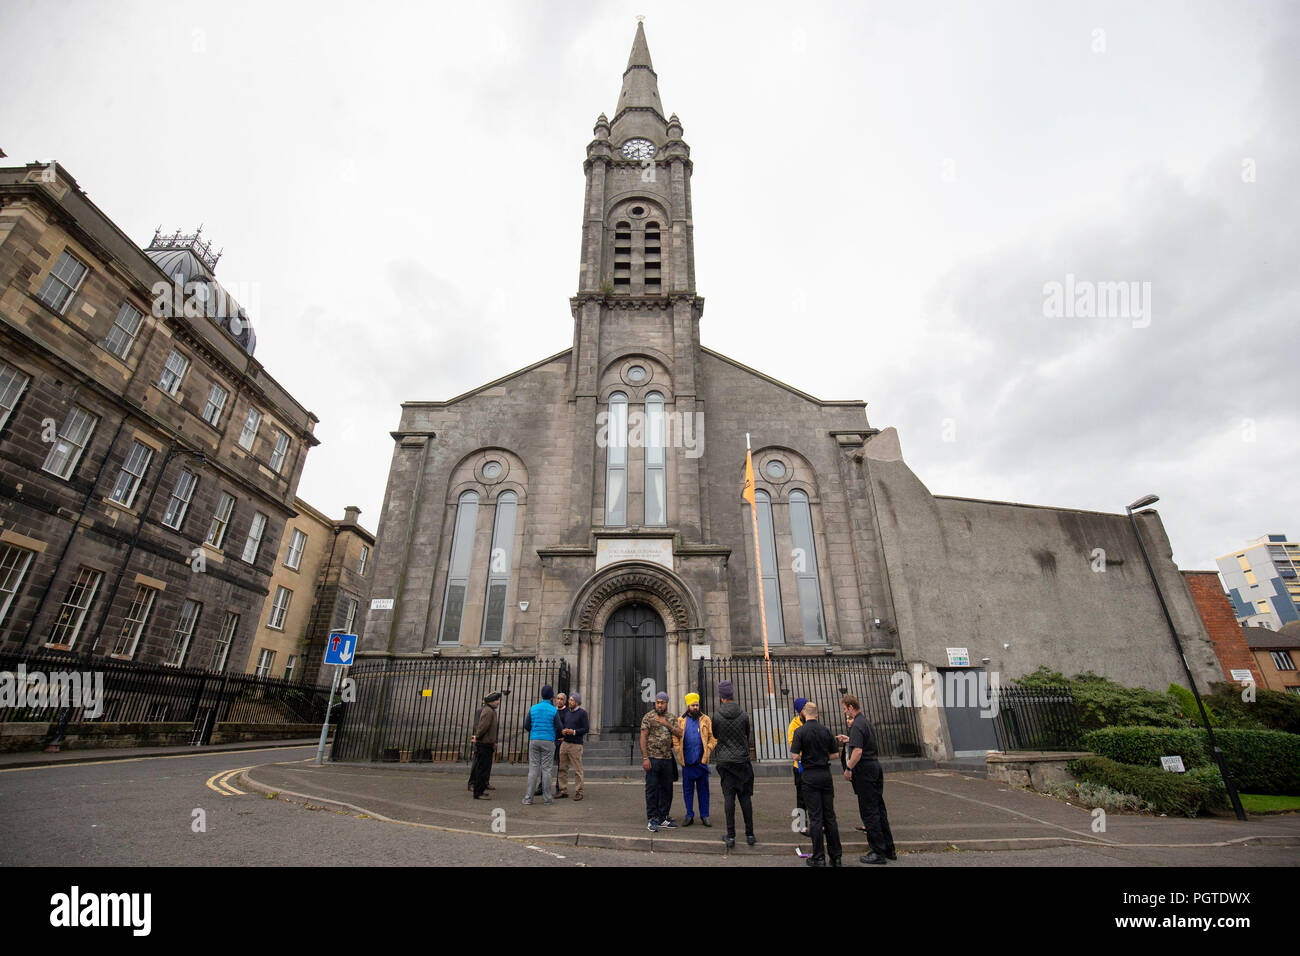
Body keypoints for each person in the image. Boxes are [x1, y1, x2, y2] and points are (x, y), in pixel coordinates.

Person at [838, 694, 896, 864]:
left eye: (844, 708)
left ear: (850, 707)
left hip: (865, 770)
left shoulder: (856, 724)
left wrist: (849, 768)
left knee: (869, 812)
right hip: (875, 767)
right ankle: (889, 848)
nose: (844, 712)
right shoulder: (866, 722)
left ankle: (878, 852)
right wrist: (849, 739)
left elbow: (858, 751)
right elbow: (863, 743)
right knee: (879, 809)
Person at [789, 701, 842, 866]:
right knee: (830, 817)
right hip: (825, 775)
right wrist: (823, 757)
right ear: (817, 714)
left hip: (810, 776)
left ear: (805, 713)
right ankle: (836, 856)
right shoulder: (825, 731)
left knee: (816, 818)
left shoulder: (800, 731)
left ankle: (819, 856)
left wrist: (807, 758)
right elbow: (835, 754)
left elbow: (795, 756)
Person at [709, 679, 756, 848]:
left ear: (721, 697)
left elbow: (715, 735)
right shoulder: (743, 715)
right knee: (745, 798)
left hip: (725, 761)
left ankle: (731, 835)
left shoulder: (716, 716)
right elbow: (746, 733)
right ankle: (750, 834)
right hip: (742, 760)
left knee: (729, 798)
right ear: (732, 695)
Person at [640, 691, 684, 831]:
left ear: (666, 704)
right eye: (657, 702)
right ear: (655, 703)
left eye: (662, 702)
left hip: (667, 759)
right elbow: (643, 737)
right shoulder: (648, 717)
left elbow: (680, 733)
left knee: (667, 789)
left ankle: (663, 816)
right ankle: (653, 818)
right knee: (652, 788)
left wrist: (668, 725)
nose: (659, 705)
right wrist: (645, 758)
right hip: (653, 758)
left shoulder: (671, 718)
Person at [673, 693, 715, 827]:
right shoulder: (681, 720)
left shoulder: (706, 719)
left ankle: (705, 815)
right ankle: (689, 815)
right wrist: (678, 750)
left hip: (701, 762)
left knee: (704, 790)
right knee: (688, 790)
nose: (695, 707)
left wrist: (708, 750)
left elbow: (713, 738)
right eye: (693, 705)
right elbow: (675, 738)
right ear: (688, 706)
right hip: (687, 762)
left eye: (697, 705)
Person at [521, 685, 558, 806]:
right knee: (546, 770)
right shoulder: (553, 710)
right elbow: (559, 727)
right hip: (548, 740)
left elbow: (526, 725)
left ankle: (528, 798)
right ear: (551, 697)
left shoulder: (533, 708)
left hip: (534, 739)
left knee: (533, 769)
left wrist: (535, 731)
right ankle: (547, 799)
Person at [557, 691, 589, 800]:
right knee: (562, 768)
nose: (570, 702)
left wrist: (574, 731)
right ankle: (563, 790)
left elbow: (586, 729)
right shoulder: (567, 713)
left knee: (577, 770)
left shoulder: (582, 713)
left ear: (577, 702)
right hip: (565, 743)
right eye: (569, 700)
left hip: (576, 745)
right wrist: (564, 731)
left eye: (572, 700)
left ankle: (579, 792)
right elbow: (563, 725)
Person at [469, 692, 501, 799]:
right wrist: (477, 737)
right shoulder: (488, 711)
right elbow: (482, 727)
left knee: (484, 767)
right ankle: (478, 792)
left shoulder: (491, 711)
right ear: (491, 701)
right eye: (496, 700)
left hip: (488, 743)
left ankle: (481, 789)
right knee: (481, 768)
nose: (498, 702)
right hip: (483, 744)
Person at [787, 696, 809, 836]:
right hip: (800, 766)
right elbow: (792, 744)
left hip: (812, 765)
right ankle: (801, 823)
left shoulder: (811, 722)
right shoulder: (794, 725)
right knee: (801, 797)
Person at [539, 691, 568, 797]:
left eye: (561, 699)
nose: (559, 701)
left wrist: (564, 737)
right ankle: (542, 786)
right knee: (546, 765)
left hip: (561, 741)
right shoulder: (552, 710)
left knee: (561, 766)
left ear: (565, 701)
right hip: (550, 740)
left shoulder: (567, 712)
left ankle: (559, 788)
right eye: (558, 698)